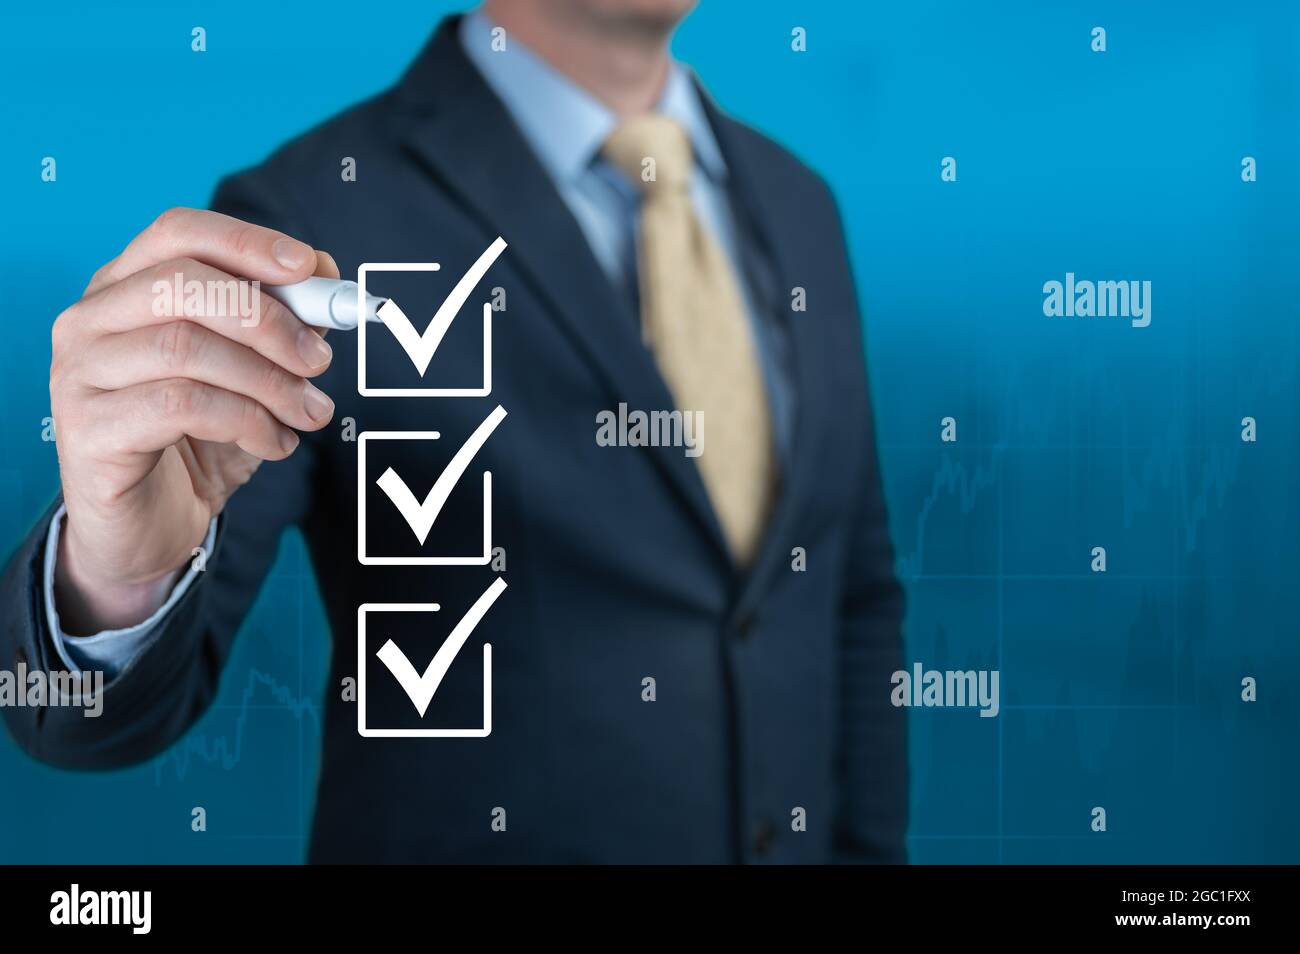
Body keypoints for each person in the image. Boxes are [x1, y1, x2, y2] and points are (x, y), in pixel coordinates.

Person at [0, 0, 906, 863]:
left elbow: (851, 597)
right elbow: (88, 719)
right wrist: (117, 574)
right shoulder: (316, 216)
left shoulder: (801, 207)